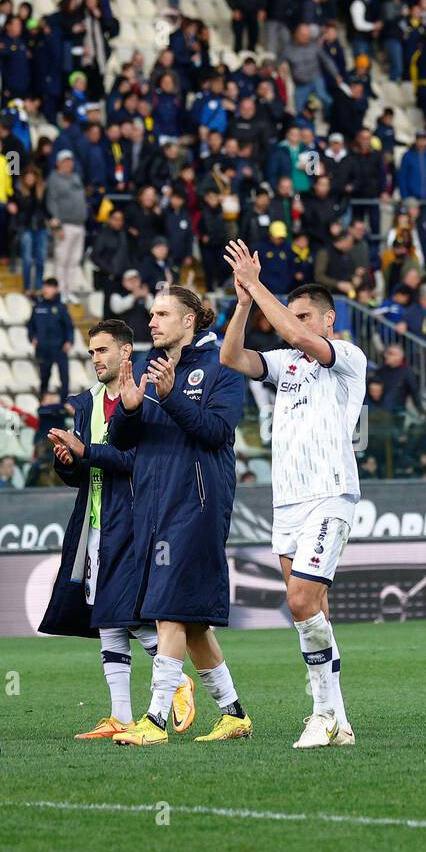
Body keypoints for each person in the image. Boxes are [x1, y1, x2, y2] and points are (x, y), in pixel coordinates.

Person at [221, 246, 364, 748]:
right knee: (314, 609)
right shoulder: (287, 365)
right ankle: (339, 722)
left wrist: (258, 286)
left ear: (328, 318)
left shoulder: (345, 357)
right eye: (294, 312)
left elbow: (296, 334)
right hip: (287, 505)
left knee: (300, 599)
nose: (297, 323)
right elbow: (232, 357)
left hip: (330, 494)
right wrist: (242, 303)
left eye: (306, 315)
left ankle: (321, 713)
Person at [103, 285, 250, 746]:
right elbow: (124, 440)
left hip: (199, 507)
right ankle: (233, 714)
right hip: (153, 506)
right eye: (151, 314)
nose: (152, 322)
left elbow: (218, 433)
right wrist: (128, 409)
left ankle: (155, 719)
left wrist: (170, 398)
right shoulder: (147, 367)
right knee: (192, 621)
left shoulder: (222, 366)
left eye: (162, 314)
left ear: (189, 320)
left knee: (168, 611)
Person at [42, 320, 195, 739]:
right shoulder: (88, 402)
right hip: (94, 521)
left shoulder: (143, 396)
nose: (96, 359)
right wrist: (68, 461)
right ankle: (122, 716)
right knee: (108, 618)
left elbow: (140, 463)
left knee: (122, 613)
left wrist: (87, 451)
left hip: (134, 521)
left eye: (103, 350)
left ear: (126, 353)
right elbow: (85, 469)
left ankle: (177, 679)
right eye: (92, 352)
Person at [45, 150, 86, 304]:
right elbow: (52, 202)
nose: (68, 163)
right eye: (65, 161)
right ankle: (60, 291)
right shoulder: (54, 179)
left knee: (74, 261)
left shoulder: (75, 177)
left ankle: (69, 290)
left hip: (79, 224)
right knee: (62, 259)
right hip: (65, 224)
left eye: (70, 160)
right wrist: (57, 227)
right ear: (58, 163)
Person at [29, 277, 75, 398]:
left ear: (55, 289)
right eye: (45, 287)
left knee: (64, 377)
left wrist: (69, 341)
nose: (46, 290)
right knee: (44, 377)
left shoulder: (61, 307)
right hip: (43, 349)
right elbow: (31, 326)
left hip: (59, 348)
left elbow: (69, 327)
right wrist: (32, 337)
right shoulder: (38, 307)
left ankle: (64, 403)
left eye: (49, 287)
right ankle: (42, 402)